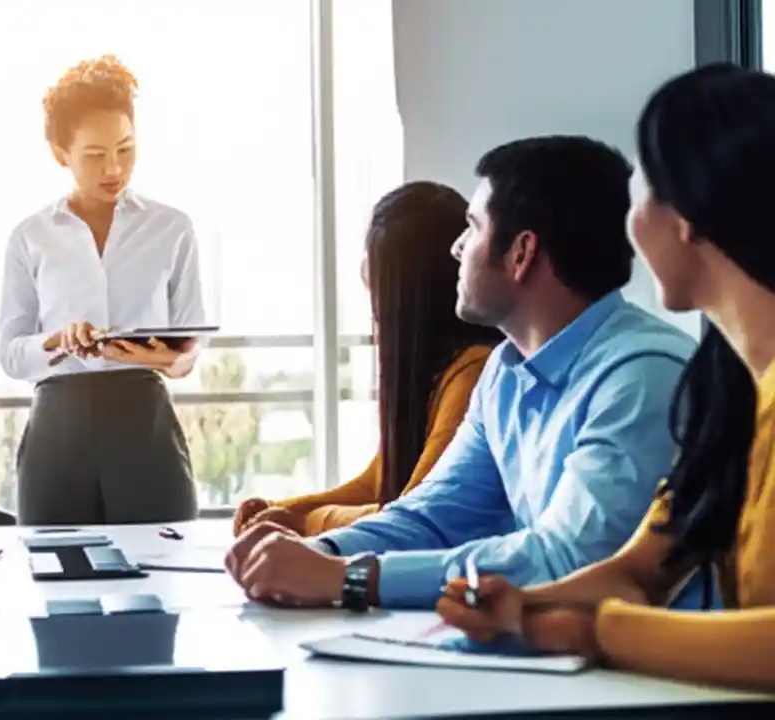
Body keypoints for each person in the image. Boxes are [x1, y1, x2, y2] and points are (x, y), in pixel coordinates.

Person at [226, 135, 697, 613]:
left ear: (521, 253)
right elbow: (433, 516)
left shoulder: (642, 376)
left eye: (472, 228)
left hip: (667, 676)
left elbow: (571, 560)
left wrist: (351, 578)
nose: (456, 248)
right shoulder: (504, 372)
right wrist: (322, 551)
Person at [436, 64, 775, 691]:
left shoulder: (654, 370)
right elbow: (638, 572)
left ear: (691, 212)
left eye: (642, 192)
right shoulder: (726, 389)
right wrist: (519, 606)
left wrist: (600, 633)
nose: (626, 224)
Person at [0, 55, 206, 525]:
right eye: (94, 155)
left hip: (144, 421)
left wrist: (138, 353)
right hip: (58, 428)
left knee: (162, 572)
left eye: (126, 149)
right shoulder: (30, 236)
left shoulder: (172, 228)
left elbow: (189, 352)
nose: (114, 168)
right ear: (60, 152)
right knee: (56, 575)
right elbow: (11, 353)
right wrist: (59, 339)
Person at [232, 182, 501, 537]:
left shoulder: (475, 372)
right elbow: (376, 483)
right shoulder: (439, 369)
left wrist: (303, 521)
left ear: (404, 286)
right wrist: (280, 510)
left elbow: (412, 516)